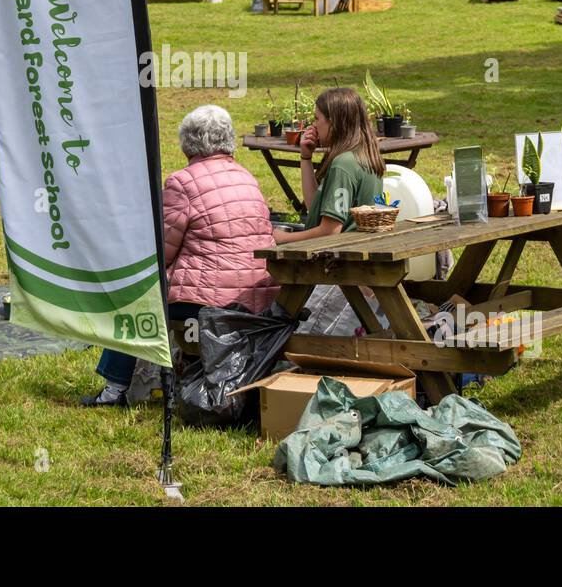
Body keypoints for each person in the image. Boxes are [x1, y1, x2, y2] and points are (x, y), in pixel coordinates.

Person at [82, 105, 275, 407]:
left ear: (188, 143)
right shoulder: (248, 178)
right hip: (258, 300)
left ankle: (113, 390)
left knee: (135, 298)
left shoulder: (182, 183)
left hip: (208, 309)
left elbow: (161, 254)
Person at [273, 88, 385, 245]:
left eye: (317, 118)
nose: (314, 125)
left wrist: (283, 238)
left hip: (336, 261)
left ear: (333, 122)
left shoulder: (343, 164)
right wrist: (306, 157)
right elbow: (315, 208)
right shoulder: (363, 155)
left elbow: (330, 231)